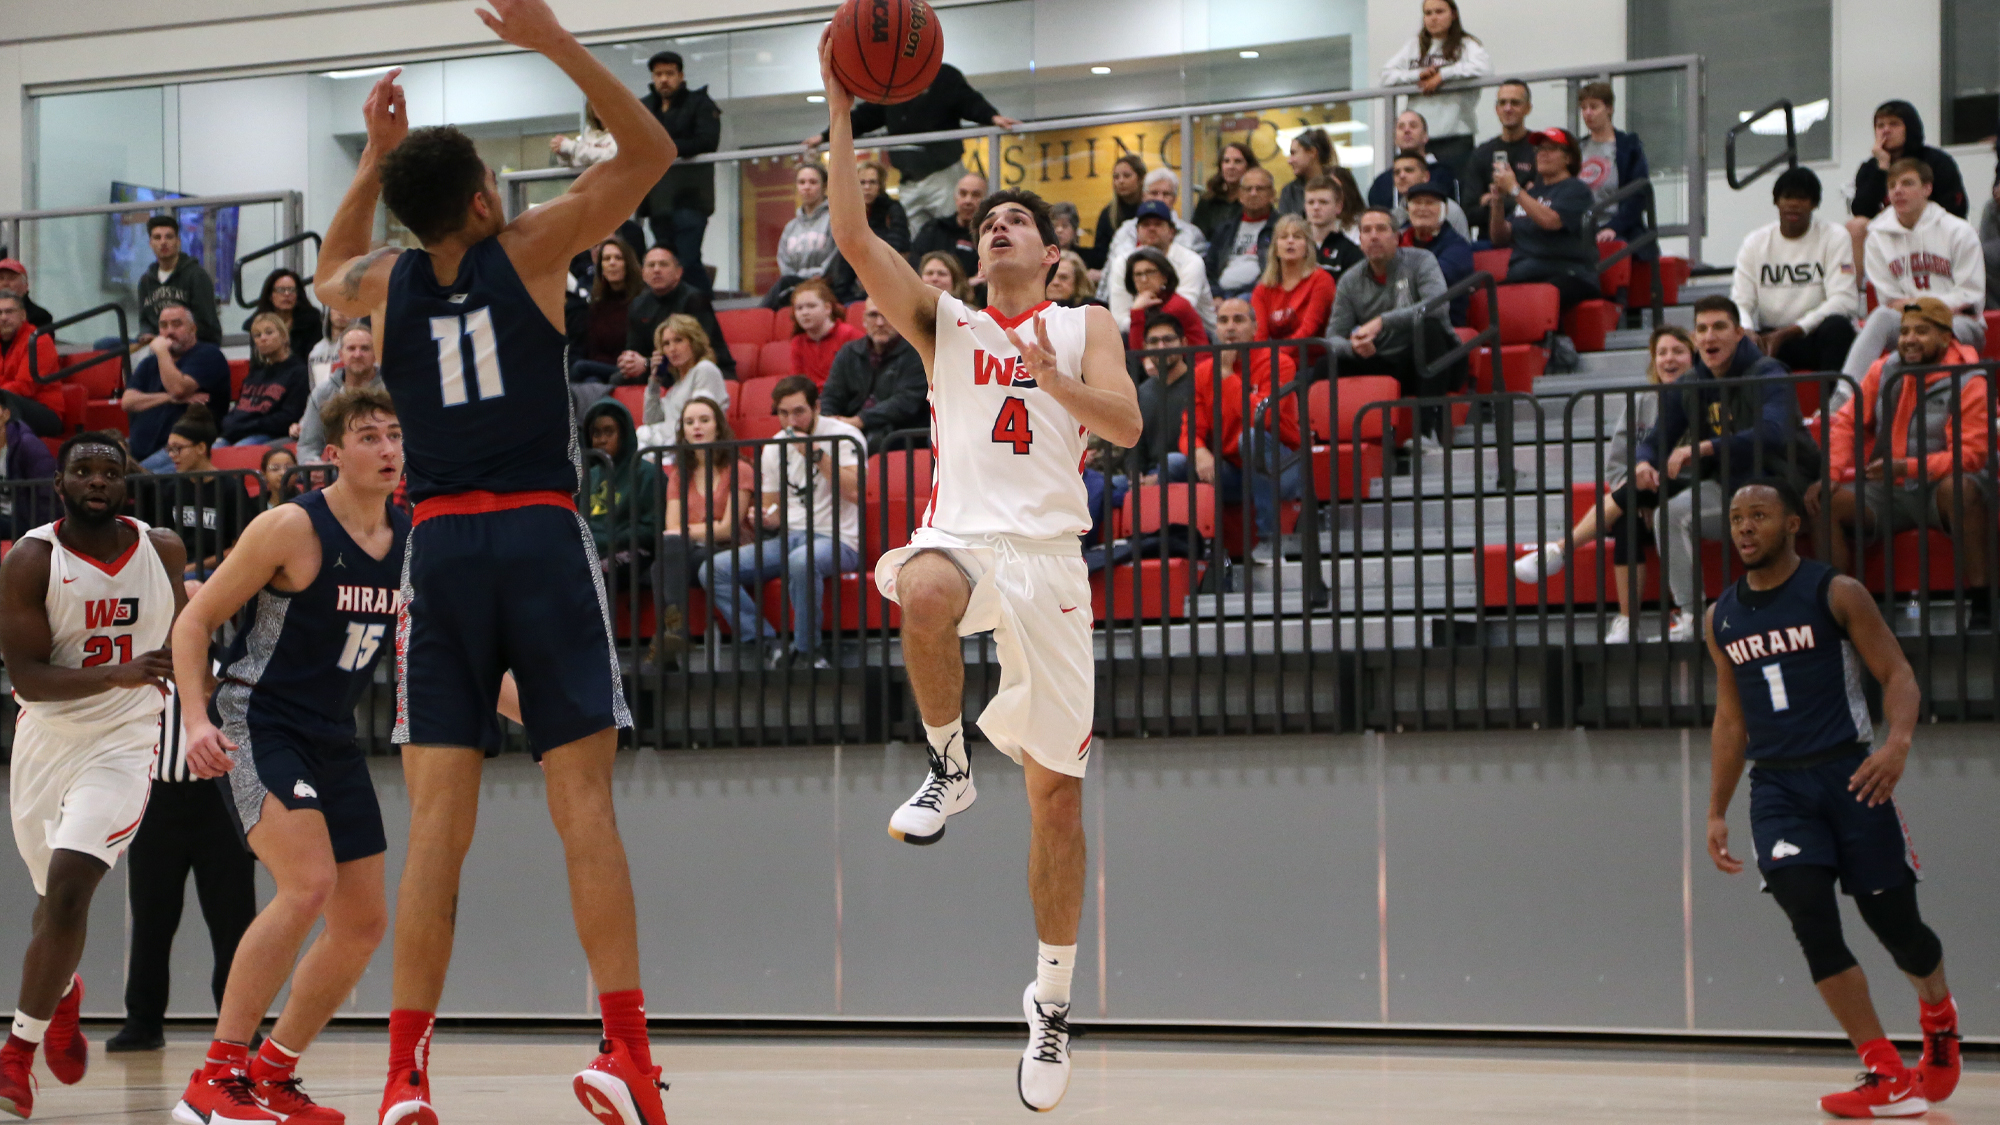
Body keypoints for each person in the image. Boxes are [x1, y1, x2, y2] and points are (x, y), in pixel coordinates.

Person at [312, 0, 677, 1117]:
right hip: (538, 533)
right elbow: (653, 152)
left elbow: (326, 271)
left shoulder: (386, 282)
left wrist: (371, 155)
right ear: (483, 198)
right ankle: (623, 1053)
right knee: (584, 814)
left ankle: (402, 1080)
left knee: (435, 836)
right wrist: (552, 43)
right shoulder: (531, 246)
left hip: (444, 548)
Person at [820, 27, 1143, 1109]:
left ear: (1051, 252)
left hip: (1051, 561)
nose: (998, 224)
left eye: (1020, 219)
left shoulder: (1080, 321)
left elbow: (1129, 428)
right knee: (918, 582)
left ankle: (1049, 1003)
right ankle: (949, 765)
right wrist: (839, 102)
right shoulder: (944, 322)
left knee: (1057, 803)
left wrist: (1055, 379)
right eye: (987, 216)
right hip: (966, 540)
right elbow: (851, 230)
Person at [166, 388, 409, 1125]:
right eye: (370, 436)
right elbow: (197, 618)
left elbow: (446, 656)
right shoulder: (290, 526)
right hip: (257, 718)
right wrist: (196, 719)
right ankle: (215, 1074)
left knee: (363, 920)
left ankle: (273, 1071)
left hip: (333, 733)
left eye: (396, 434)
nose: (389, 448)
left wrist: (560, 718)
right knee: (306, 884)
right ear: (332, 453)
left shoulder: (411, 539)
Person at [1704, 479, 1960, 1120]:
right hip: (1778, 788)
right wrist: (1715, 809)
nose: (1744, 528)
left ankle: (1938, 1016)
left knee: (1896, 926)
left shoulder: (1835, 592)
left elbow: (1897, 674)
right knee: (1809, 914)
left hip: (1851, 775)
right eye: (1736, 517)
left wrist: (1897, 743)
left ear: (1792, 523)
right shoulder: (1721, 617)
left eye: (1758, 515)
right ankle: (1884, 1070)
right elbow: (1731, 720)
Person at [0, 435, 187, 1121]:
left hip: (125, 739)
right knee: (51, 902)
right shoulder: (31, 558)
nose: (98, 480)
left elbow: (180, 639)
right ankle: (63, 993)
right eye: (85, 470)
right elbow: (26, 677)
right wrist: (118, 670)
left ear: (127, 486)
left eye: (111, 471)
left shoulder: (162, 549)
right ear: (60, 483)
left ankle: (16, 1053)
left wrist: (186, 700)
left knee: (74, 887)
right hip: (47, 740)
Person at [1512, 326, 1696, 640]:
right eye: (1662, 352)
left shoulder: (1702, 397)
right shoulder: (1640, 401)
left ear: (1694, 359)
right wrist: (1640, 497)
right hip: (1641, 493)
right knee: (1626, 520)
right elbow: (1616, 466)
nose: (1669, 359)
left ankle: (1560, 548)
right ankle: (1628, 623)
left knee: (1633, 500)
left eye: (1678, 351)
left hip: (1689, 489)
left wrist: (1653, 497)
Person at [105, 679, 257, 1055]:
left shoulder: (230, 669)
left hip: (222, 801)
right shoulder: (145, 671)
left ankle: (237, 1024)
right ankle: (143, 1023)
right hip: (158, 800)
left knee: (233, 921)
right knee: (151, 918)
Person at [1635, 296, 1799, 641]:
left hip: (1779, 484)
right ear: (1695, 339)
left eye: (1720, 327)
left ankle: (1782, 615)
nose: (1710, 337)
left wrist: (1704, 447)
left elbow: (1773, 433)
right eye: (1703, 329)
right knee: (1670, 515)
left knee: (1755, 518)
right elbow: (1656, 436)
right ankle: (1695, 619)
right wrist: (1643, 461)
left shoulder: (1768, 371)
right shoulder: (1692, 382)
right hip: (1728, 486)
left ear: (1739, 332)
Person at [1813, 298, 1988, 581]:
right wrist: (1831, 473)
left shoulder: (1969, 380)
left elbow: (1969, 457)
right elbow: (1846, 423)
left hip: (1939, 489)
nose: (1909, 340)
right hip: (1890, 489)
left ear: (1945, 337)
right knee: (1822, 502)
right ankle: (1836, 608)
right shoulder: (1883, 370)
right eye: (1904, 332)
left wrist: (1906, 467)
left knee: (1962, 491)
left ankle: (1984, 606)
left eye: (1921, 332)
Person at [703, 375, 863, 669]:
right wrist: (767, 517)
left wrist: (816, 454)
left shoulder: (844, 436)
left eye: (799, 411)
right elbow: (772, 505)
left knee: (803, 561)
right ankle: (766, 643)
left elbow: (855, 492)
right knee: (714, 569)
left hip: (839, 539)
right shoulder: (775, 446)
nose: (791, 420)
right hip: (791, 537)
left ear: (816, 407)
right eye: (783, 413)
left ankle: (808, 652)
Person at [803, 62, 1019, 232]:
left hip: (942, 174)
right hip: (909, 180)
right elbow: (864, 116)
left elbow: (970, 101)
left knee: (953, 228)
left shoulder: (943, 76)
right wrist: (825, 135)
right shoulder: (891, 84)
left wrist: (992, 117)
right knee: (912, 239)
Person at [1842, 159, 1986, 389]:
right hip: (1906, 323)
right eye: (1892, 185)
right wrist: (1919, 311)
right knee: (1880, 318)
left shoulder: (1958, 231)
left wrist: (1919, 307)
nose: (1898, 190)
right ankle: (1844, 398)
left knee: (1924, 338)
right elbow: (1889, 301)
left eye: (1907, 183)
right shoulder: (1877, 236)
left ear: (1927, 189)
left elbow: (1970, 296)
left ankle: (1947, 400)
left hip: (1959, 322)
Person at [1329, 209, 1462, 443]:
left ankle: (1427, 432)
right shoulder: (1349, 280)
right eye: (1366, 231)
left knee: (1428, 327)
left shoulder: (1421, 260)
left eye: (1381, 229)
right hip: (1386, 360)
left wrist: (1383, 321)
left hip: (1438, 358)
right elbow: (1333, 336)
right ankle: (1326, 440)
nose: (1374, 236)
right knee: (1326, 363)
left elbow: (1437, 306)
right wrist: (1354, 348)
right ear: (1359, 241)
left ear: (1396, 237)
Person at [642, 395, 753, 673]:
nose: (697, 427)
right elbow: (671, 528)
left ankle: (671, 636)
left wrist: (688, 531)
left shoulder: (739, 469)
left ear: (718, 426)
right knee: (661, 564)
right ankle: (673, 636)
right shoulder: (681, 474)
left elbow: (728, 528)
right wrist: (697, 531)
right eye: (689, 422)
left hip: (731, 550)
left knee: (661, 565)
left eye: (704, 420)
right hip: (689, 553)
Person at [1189, 299, 1303, 562]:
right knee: (1174, 465)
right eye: (1223, 321)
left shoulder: (1279, 362)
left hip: (1282, 465)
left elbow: (1262, 417)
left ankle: (1269, 539)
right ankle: (1189, 553)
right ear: (1215, 329)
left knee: (1251, 439)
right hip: (1234, 472)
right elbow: (1191, 425)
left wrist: (1228, 376)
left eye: (1239, 320)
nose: (1230, 327)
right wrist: (1198, 450)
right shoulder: (1203, 372)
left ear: (1255, 328)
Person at [1729, 167, 1860, 376]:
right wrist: (1747, 331)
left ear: (1814, 204)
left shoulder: (1835, 236)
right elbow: (1740, 302)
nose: (1793, 204)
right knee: (1732, 339)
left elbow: (1844, 300)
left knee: (1839, 328)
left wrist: (1792, 331)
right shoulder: (1755, 242)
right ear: (1776, 201)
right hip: (1769, 336)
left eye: (1802, 198)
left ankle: (1838, 405)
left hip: (1814, 333)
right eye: (1787, 197)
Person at [1845, 101, 1970, 282]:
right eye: (1880, 125)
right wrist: (1882, 167)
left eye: (1894, 124)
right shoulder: (1870, 167)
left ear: (1909, 128)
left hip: (1930, 229)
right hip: (1888, 234)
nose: (1885, 130)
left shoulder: (1936, 160)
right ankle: (1853, 298)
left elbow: (1956, 207)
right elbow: (1861, 210)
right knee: (1855, 226)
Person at [638, 51, 722, 293]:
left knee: (688, 261)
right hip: (656, 201)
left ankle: (701, 312)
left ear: (681, 75)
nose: (664, 79)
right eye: (658, 74)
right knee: (662, 264)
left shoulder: (700, 103)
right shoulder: (644, 107)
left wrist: (664, 148)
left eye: (669, 74)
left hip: (691, 199)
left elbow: (707, 141)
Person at [1490, 127, 1600, 312]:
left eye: (1551, 149)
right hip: (1523, 273)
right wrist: (1498, 201)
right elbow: (1500, 237)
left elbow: (1552, 221)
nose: (1543, 154)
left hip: (1565, 273)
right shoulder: (1531, 194)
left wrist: (1515, 189)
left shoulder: (1576, 189)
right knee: (1488, 300)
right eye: (1540, 150)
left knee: (1540, 299)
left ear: (1569, 158)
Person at [1379, 0, 1490, 174]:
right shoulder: (1414, 46)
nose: (1433, 18)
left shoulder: (1467, 44)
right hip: (1418, 139)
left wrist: (1443, 76)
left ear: (1453, 14)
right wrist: (1417, 75)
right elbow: (1386, 75)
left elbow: (1483, 69)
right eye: (1428, 13)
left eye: (1439, 12)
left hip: (1456, 136)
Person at [125, 301, 233, 472]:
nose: (169, 331)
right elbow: (128, 402)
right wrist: (171, 399)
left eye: (177, 324)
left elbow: (178, 388)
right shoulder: (148, 363)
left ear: (193, 329)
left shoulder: (209, 356)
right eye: (163, 325)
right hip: (139, 448)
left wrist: (161, 352)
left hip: (180, 451)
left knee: (130, 481)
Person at [154, 407, 254, 584]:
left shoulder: (230, 488)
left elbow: (239, 548)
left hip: (217, 571)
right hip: (178, 570)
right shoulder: (170, 488)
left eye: (177, 449)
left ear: (201, 448)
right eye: (169, 449)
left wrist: (193, 568)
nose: (172, 456)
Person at [821, 299, 929, 449]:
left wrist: (860, 420)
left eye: (887, 315)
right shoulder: (849, 351)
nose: (879, 323)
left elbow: (906, 402)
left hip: (900, 435)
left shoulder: (917, 353)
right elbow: (831, 394)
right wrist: (829, 420)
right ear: (864, 320)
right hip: (850, 430)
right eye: (873, 315)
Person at [619, 245, 734, 381]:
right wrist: (629, 361)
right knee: (618, 380)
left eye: (663, 264)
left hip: (702, 370)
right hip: (660, 369)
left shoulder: (695, 300)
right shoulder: (638, 305)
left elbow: (696, 353)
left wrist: (647, 363)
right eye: (651, 265)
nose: (656, 270)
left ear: (678, 272)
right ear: (643, 274)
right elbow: (633, 349)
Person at [584, 397, 662, 594]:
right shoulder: (588, 476)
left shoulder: (648, 474)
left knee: (593, 574)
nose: (601, 439)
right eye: (596, 433)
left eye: (609, 432)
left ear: (624, 433)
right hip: (592, 550)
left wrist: (610, 540)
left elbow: (652, 530)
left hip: (632, 551)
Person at [1108, 200, 1216, 335]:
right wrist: (1138, 318)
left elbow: (1180, 313)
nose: (1151, 229)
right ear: (1137, 232)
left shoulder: (1191, 260)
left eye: (1158, 224)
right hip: (1142, 333)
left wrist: (1138, 313)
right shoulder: (1122, 262)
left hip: (1195, 335)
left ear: (1172, 231)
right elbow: (1119, 319)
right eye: (1145, 225)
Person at [1575, 82, 1653, 256]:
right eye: (1584, 108)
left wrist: (1614, 227)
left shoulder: (1628, 146)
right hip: (1583, 229)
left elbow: (1638, 195)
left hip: (1619, 228)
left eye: (1594, 107)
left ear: (1609, 109)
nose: (1587, 113)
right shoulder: (1577, 148)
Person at [219, 312, 310, 447]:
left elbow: (289, 416)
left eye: (269, 333)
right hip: (239, 431)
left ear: (283, 336)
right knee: (213, 450)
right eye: (257, 335)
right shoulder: (256, 373)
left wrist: (249, 425)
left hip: (270, 434)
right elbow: (240, 408)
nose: (263, 338)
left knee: (239, 450)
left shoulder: (298, 372)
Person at [824, 162, 912, 302]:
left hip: (887, 277)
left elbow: (897, 244)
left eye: (872, 182)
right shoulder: (850, 212)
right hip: (853, 280)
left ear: (880, 185)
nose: (867, 187)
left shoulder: (893, 209)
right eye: (862, 182)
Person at [1463, 80, 1536, 242]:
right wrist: (1522, 195)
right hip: (1487, 243)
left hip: (1530, 241)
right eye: (1503, 103)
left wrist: (1492, 200)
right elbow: (1469, 213)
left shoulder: (1539, 150)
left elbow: (1542, 206)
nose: (1508, 108)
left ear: (1528, 108)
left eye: (1515, 103)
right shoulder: (1482, 153)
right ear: (1496, 109)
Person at [296, 327, 385, 460]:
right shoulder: (322, 394)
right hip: (336, 471)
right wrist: (312, 463)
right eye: (351, 348)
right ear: (341, 355)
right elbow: (308, 445)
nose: (357, 354)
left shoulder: (393, 390)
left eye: (365, 348)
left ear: (376, 354)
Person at [568, 236, 639, 403]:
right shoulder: (595, 305)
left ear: (628, 263)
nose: (612, 263)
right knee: (589, 383)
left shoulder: (640, 302)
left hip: (625, 370)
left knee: (579, 369)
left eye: (618, 258)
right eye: (606, 259)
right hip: (594, 372)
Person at [137, 215, 224, 345]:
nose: (163, 242)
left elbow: (206, 324)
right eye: (157, 237)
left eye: (169, 237)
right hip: (158, 344)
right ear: (150, 243)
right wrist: (146, 334)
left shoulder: (196, 275)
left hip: (196, 345)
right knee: (106, 345)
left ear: (178, 241)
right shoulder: (145, 281)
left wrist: (169, 338)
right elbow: (144, 321)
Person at [1097, 168, 1210, 268]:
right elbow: (1108, 275)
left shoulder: (1192, 235)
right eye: (1154, 193)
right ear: (1144, 196)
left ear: (1175, 198)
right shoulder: (1125, 231)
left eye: (1166, 194)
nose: (1160, 199)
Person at [642, 313, 730, 437]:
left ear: (694, 342)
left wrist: (657, 434)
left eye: (678, 340)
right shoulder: (675, 388)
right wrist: (655, 381)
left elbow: (698, 423)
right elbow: (651, 421)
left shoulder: (705, 370)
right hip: (672, 448)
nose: (672, 349)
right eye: (666, 344)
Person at [1133, 313, 1198, 481]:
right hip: (1149, 475)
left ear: (1183, 343)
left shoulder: (1200, 384)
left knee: (1173, 462)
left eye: (1168, 339)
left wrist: (1158, 477)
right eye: (1153, 342)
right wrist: (1135, 476)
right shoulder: (1142, 392)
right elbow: (1135, 448)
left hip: (1188, 470)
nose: (1161, 347)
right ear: (1144, 347)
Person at [761, 164, 835, 310]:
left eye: (813, 182)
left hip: (825, 285)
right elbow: (784, 261)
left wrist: (814, 277)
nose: (807, 187)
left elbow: (835, 259)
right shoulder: (791, 227)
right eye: (802, 182)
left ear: (824, 186)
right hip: (794, 286)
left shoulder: (834, 221)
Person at [1252, 214, 1335, 341]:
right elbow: (1259, 335)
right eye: (1284, 237)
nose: (1290, 241)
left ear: (1307, 247)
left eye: (1297, 237)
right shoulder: (1262, 290)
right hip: (1275, 358)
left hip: (1311, 356)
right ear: (1275, 249)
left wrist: (1277, 355)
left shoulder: (1321, 280)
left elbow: (1309, 330)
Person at [1401, 181, 1474, 325]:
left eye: (1430, 203)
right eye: (1416, 202)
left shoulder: (1457, 247)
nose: (1422, 208)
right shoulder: (1395, 238)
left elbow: (1430, 280)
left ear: (1445, 210)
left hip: (1440, 324)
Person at [0, 290, 65, 437]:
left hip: (45, 413)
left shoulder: (39, 340)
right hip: (7, 404)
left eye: (9, 312)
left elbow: (25, 387)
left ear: (23, 315)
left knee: (6, 399)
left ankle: (8, 454)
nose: (3, 317)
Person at [1206, 166, 1277, 298]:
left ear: (1272, 194)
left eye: (1259, 188)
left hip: (1256, 294)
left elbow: (1276, 273)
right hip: (1220, 296)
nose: (1253, 193)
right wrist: (1216, 296)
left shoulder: (1281, 228)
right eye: (1248, 189)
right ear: (1240, 195)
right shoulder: (1225, 229)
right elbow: (1209, 270)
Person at [1368, 111, 1459, 207]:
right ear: (1395, 139)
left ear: (1425, 136)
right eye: (1401, 127)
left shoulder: (1445, 175)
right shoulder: (1381, 183)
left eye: (1413, 126)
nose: (1407, 130)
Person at [1123, 248, 1209, 349]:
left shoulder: (1176, 305)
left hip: (1194, 363)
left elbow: (1141, 353)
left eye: (1150, 272)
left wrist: (1136, 311)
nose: (1144, 279)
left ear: (1165, 276)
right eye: (1138, 274)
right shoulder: (1146, 303)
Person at [910, 172, 987, 283]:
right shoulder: (934, 228)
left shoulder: (988, 235)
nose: (968, 201)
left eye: (975, 195)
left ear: (985, 200)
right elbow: (915, 266)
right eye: (963, 193)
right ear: (955, 197)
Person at [786, 278, 863, 386]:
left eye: (811, 306)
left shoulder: (849, 334)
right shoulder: (797, 342)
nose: (804, 313)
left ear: (827, 308)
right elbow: (797, 382)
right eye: (799, 308)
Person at [0, 396, 56, 539]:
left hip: (25, 523)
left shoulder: (28, 445)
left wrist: (43, 537)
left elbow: (47, 495)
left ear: (6, 414)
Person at [241, 269, 325, 361]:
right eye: (281, 290)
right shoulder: (258, 323)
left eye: (292, 290)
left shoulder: (311, 321)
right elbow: (256, 363)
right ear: (270, 295)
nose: (287, 294)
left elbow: (313, 360)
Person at [1086, 154, 1146, 271]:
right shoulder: (1107, 214)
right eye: (1116, 177)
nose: (1121, 181)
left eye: (1127, 176)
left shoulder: (1149, 210)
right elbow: (1100, 254)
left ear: (1141, 179)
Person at [1387, 149, 1469, 237]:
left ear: (1426, 176)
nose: (1401, 176)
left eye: (1409, 170)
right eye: (1396, 172)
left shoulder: (1448, 210)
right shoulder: (1393, 217)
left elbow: (1462, 247)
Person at [1194, 142, 1259, 240]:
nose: (1231, 166)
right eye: (1226, 161)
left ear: (1248, 166)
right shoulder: (1207, 201)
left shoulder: (1256, 202)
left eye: (1237, 161)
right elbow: (1197, 237)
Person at [1303, 175, 1364, 277]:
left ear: (1338, 206)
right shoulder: (1295, 246)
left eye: (1323, 202)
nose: (1316, 207)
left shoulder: (1351, 253)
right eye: (1310, 202)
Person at [1277, 128, 1335, 217]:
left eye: (1294, 153)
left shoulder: (1337, 184)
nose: (1289, 161)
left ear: (1312, 152)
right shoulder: (1289, 192)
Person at [306, 306, 353, 390]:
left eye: (347, 309)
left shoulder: (362, 347)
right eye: (336, 308)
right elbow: (313, 387)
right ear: (328, 312)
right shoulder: (317, 351)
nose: (341, 313)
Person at [0, 259, 53, 330]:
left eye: (11, 278)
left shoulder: (40, 317)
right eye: (1, 278)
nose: (5, 283)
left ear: (26, 285)